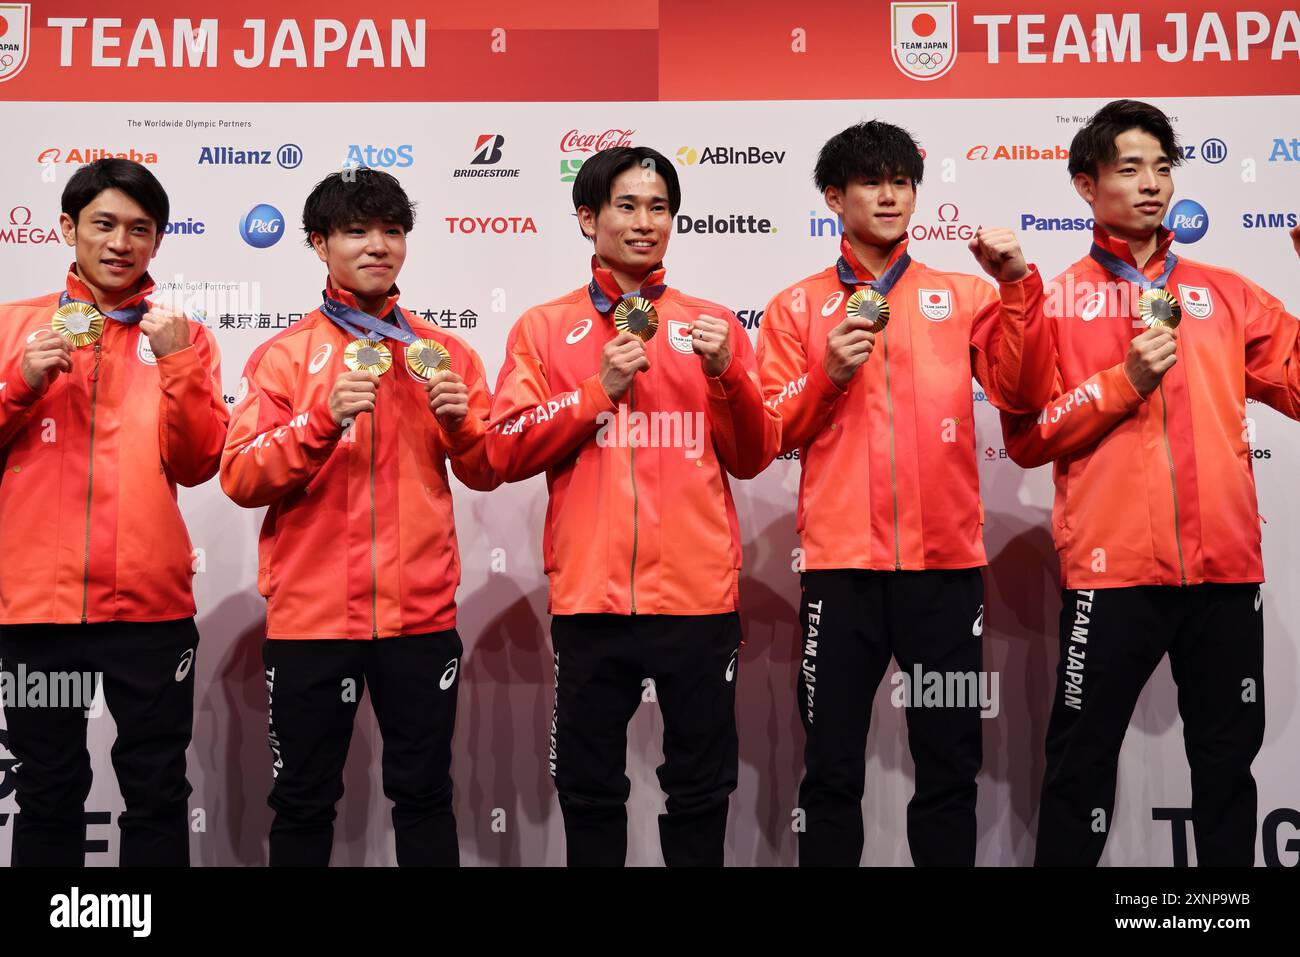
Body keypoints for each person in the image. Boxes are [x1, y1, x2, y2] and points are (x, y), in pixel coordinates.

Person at [1000, 99, 1300, 866]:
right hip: (1113, 574)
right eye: (1129, 168)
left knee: (1227, 772)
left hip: (1225, 573)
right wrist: (1123, 381)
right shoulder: (1053, 300)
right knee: (1079, 768)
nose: (1151, 184)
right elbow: (1028, 435)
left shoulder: (1227, 293)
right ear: (1084, 184)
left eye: (1162, 167)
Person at [757, 119, 1051, 866]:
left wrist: (1017, 285)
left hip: (944, 581)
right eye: (871, 182)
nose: (890, 196)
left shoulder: (967, 294)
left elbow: (1020, 392)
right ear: (834, 196)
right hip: (840, 577)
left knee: (949, 766)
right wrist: (827, 371)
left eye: (902, 181)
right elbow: (769, 432)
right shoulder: (796, 308)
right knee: (830, 771)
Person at [486, 146, 780, 866]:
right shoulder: (544, 328)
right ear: (587, 218)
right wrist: (596, 391)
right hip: (592, 601)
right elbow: (504, 450)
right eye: (626, 205)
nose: (646, 222)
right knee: (588, 792)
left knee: (702, 789)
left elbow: (753, 453)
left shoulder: (713, 324)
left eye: (659, 207)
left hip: (698, 601)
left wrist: (726, 377)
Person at [221, 168, 499, 866]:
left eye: (392, 230)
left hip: (420, 618)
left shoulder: (446, 353)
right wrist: (321, 419)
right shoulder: (283, 356)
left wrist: (464, 428)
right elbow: (241, 475)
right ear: (318, 243)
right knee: (303, 801)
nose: (378, 245)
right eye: (355, 231)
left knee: (425, 794)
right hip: (312, 620)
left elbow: (488, 468)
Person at [0, 158, 227, 866]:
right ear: (68, 229)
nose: (120, 242)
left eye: (139, 228)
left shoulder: (182, 337)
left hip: (149, 614)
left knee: (157, 789)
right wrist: (20, 382)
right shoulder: (14, 327)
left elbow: (198, 463)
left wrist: (181, 365)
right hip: (38, 610)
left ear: (157, 241)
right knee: (48, 788)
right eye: (103, 224)